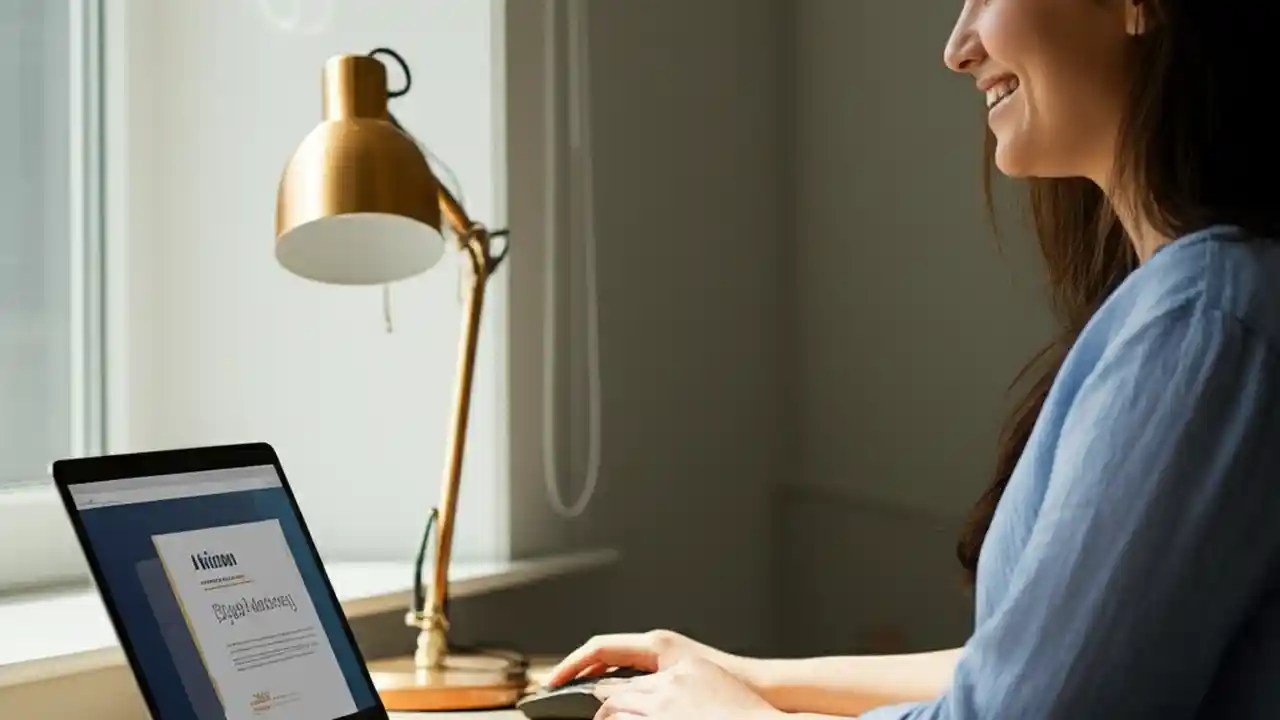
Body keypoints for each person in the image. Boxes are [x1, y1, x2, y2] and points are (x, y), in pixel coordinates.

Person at [546, 1, 1280, 718]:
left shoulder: (1201, 323)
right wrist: (743, 675)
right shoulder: (1192, 304)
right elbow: (1033, 666)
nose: (958, 47)